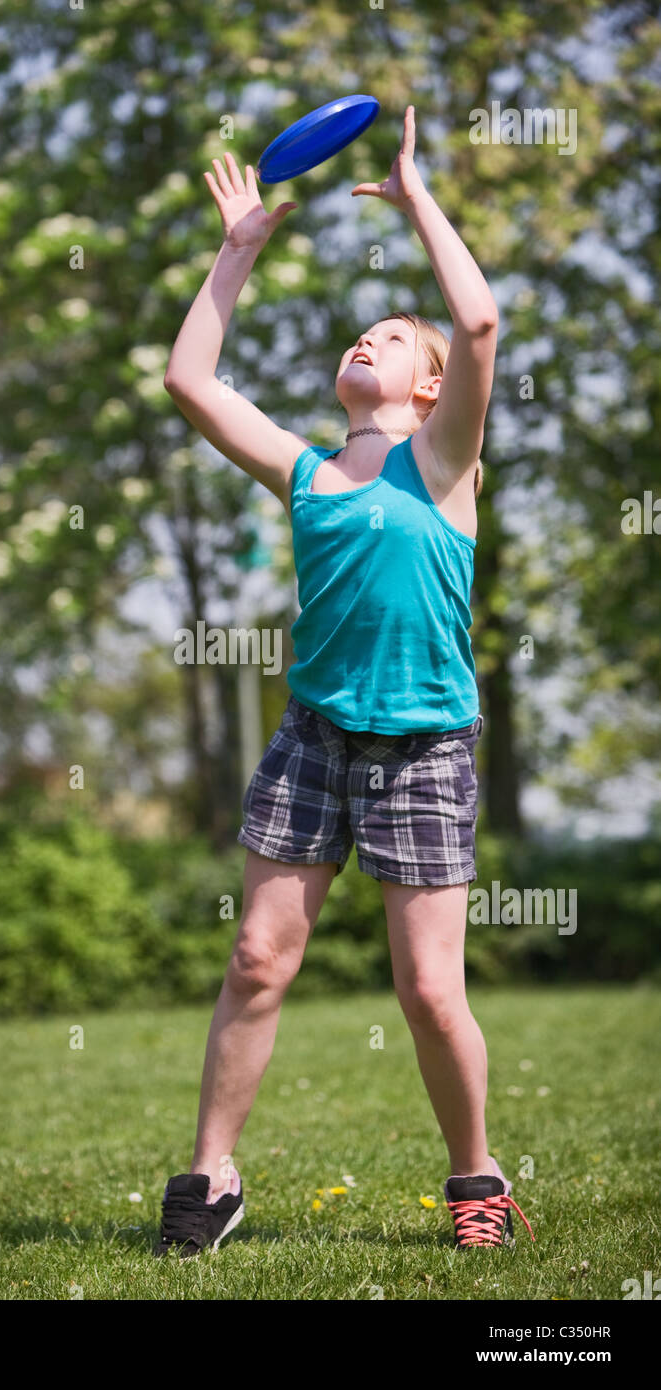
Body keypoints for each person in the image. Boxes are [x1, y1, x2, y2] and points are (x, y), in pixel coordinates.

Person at [156, 106, 534, 1256]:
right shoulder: (308, 472)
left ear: (427, 390)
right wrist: (237, 252)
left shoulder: (444, 460)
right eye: (358, 336)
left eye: (390, 339)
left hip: (424, 743)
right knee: (257, 957)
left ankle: (474, 1173)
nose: (367, 343)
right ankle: (211, 1178)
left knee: (426, 989)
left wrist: (415, 197)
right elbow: (188, 379)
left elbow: (473, 317)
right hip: (315, 734)